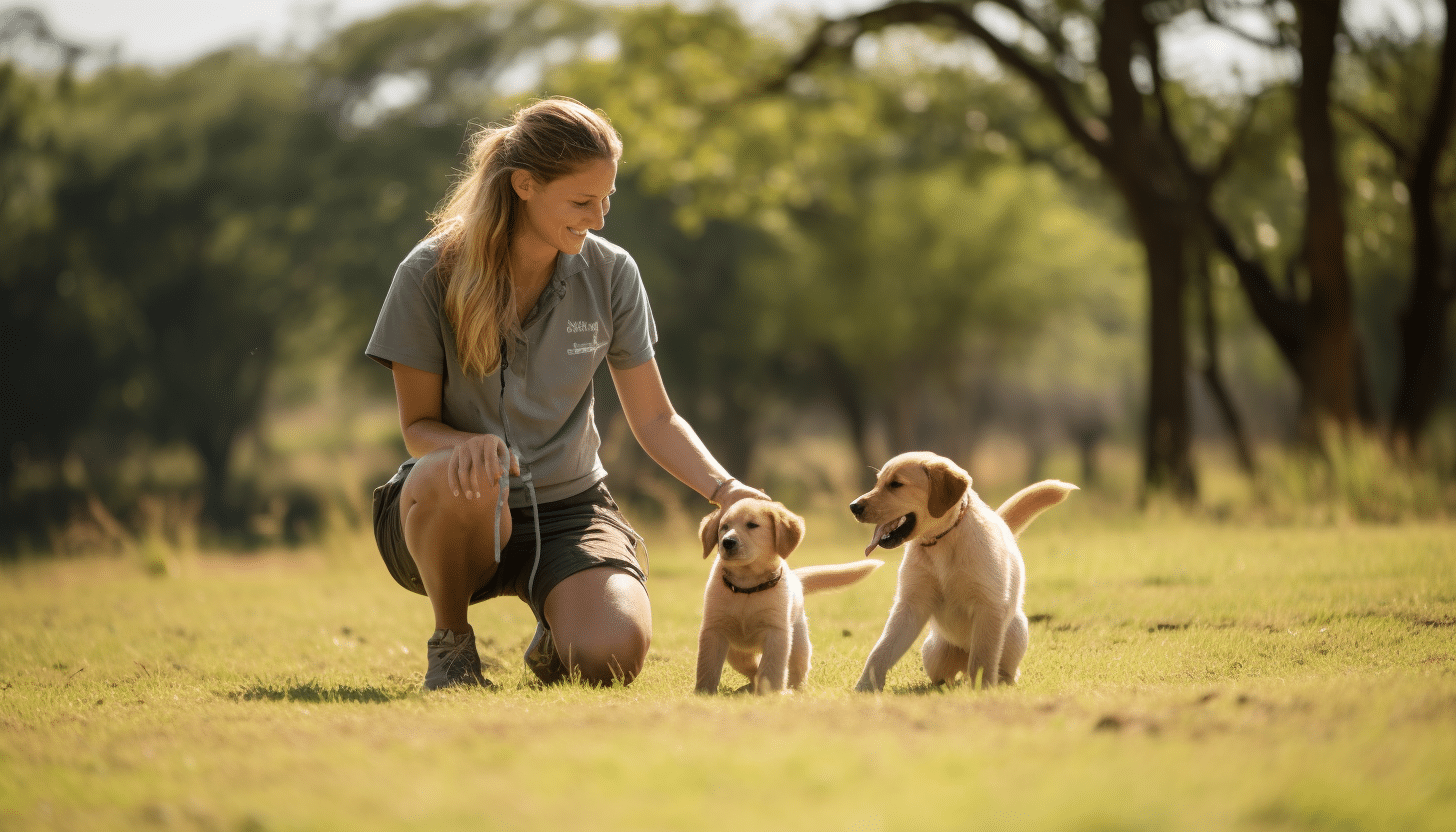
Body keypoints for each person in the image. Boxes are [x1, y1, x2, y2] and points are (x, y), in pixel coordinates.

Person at [367, 97, 765, 690]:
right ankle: (452, 646)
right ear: (524, 185)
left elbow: (655, 418)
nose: (600, 218)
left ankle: (559, 634)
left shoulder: (612, 272)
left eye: (607, 198)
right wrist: (469, 446)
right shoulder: (429, 272)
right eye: (582, 201)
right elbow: (417, 426)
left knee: (612, 656)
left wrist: (725, 487)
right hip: (461, 502)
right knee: (455, 474)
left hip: (571, 508)